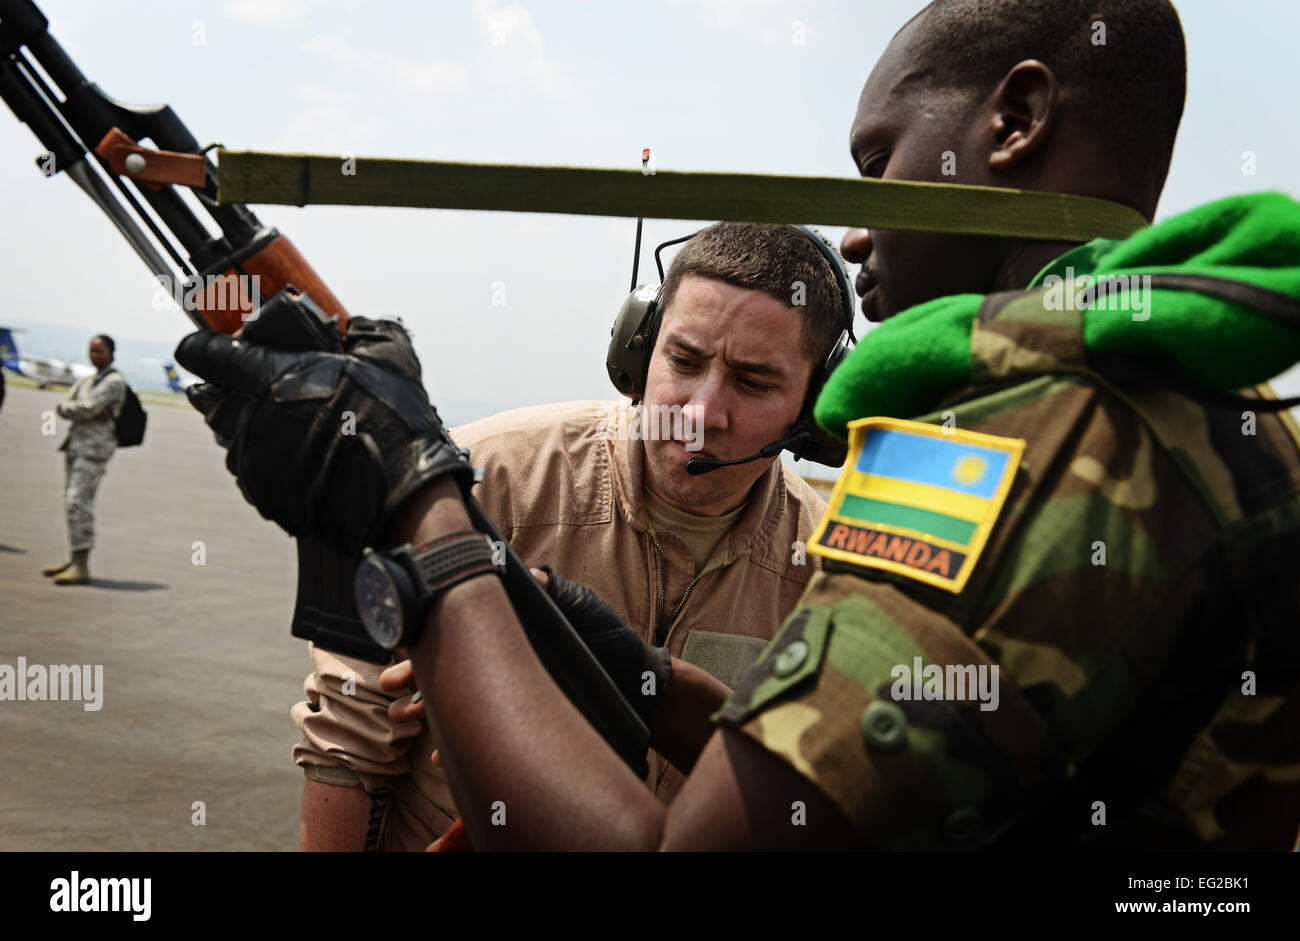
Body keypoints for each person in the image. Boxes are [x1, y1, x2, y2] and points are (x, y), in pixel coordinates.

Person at [177, 0, 1300, 850]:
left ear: (1012, 121)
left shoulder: (1015, 438)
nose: (860, 233)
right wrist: (634, 669)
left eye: (880, 160)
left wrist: (426, 519)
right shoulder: (1196, 395)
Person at [288, 223, 853, 850]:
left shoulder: (833, 571)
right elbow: (347, 741)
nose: (699, 412)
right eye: (683, 361)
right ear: (639, 351)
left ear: (814, 409)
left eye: (753, 382)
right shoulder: (478, 477)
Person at [42, 334, 125, 586]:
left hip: (94, 450)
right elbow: (74, 404)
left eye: (99, 351)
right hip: (77, 445)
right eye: (91, 351)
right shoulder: (88, 380)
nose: (94, 355)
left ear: (111, 353)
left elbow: (82, 407)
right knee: (71, 502)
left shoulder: (113, 382)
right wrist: (74, 408)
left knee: (78, 501)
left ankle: (81, 565)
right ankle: (74, 557)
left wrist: (71, 409)